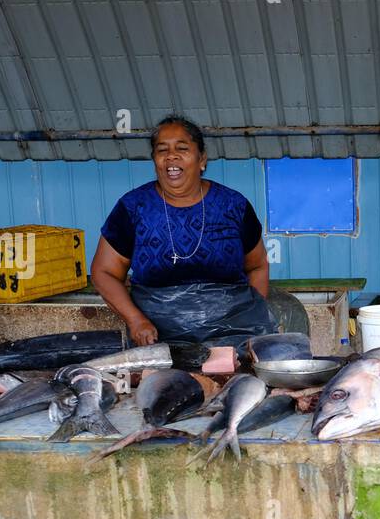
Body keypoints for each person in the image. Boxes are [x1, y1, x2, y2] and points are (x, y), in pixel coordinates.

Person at [91, 115, 276, 347]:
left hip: (233, 338)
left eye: (182, 148)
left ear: (202, 159)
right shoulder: (133, 208)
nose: (171, 156)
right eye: (162, 150)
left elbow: (258, 265)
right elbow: (103, 272)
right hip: (158, 340)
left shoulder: (233, 205)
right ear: (154, 160)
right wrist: (136, 320)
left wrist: (252, 322)